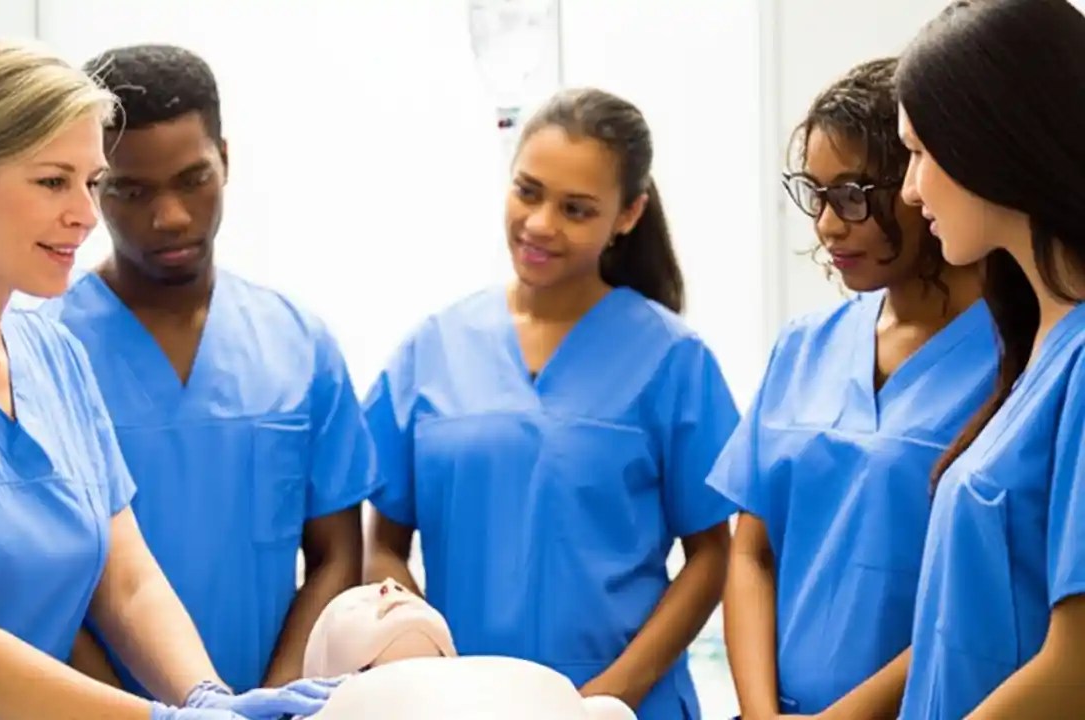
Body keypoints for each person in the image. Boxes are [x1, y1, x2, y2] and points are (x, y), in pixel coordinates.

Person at [0, 40, 336, 720]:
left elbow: (127, 583)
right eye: (53, 182)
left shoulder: (55, 358)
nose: (86, 214)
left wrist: (208, 699)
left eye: (91, 181)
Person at [363, 87, 738, 720]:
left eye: (576, 209)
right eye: (527, 191)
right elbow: (384, 545)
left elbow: (712, 557)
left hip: (622, 706)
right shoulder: (434, 348)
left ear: (628, 214)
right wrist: (429, 676)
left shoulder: (673, 358)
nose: (540, 224)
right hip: (461, 704)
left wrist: (613, 693)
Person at [41, 43, 376, 697]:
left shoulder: (298, 345)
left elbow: (338, 556)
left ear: (225, 160)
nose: (170, 216)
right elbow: (38, 580)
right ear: (92, 186)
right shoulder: (39, 354)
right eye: (130, 190)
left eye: (193, 178)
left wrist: (266, 707)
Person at [708, 57, 997, 719]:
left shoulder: (1017, 362)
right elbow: (752, 554)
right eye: (816, 194)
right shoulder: (804, 347)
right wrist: (759, 713)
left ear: (926, 181)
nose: (827, 226)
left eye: (853, 196)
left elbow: (977, 603)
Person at [892, 1, 1085, 717]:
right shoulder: (1035, 346)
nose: (911, 190)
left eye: (919, 151)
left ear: (989, 135)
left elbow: (1077, 668)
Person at [301, 580, 636, 720]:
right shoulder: (331, 708)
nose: (390, 585)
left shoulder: (527, 684)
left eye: (404, 590)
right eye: (357, 603)